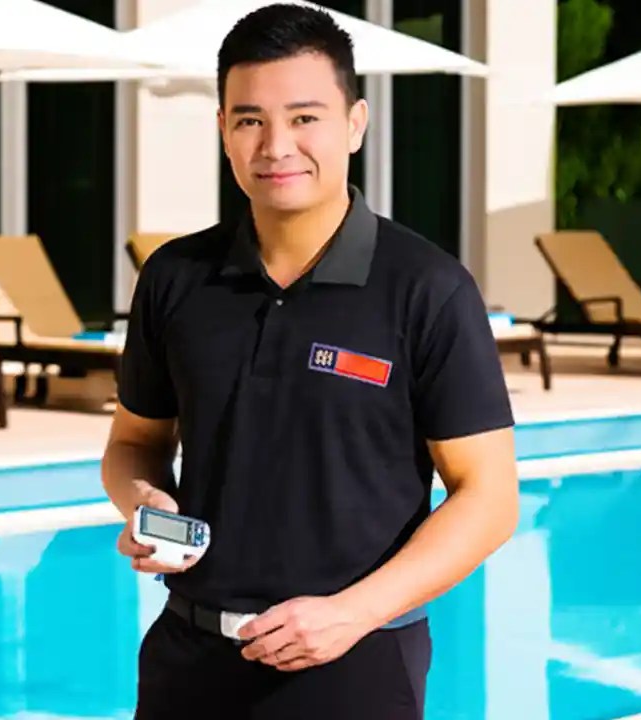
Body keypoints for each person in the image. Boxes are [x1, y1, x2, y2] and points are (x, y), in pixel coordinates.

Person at [100, 3, 519, 718]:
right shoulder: (175, 277)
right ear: (223, 131)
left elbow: (488, 498)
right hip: (187, 661)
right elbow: (134, 443)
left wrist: (352, 613)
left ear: (355, 124)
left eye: (304, 118)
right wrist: (146, 501)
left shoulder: (428, 288)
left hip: (354, 665)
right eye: (250, 120)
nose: (276, 146)